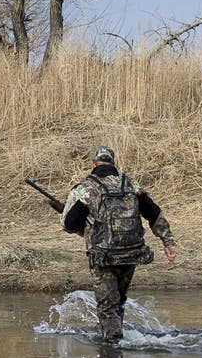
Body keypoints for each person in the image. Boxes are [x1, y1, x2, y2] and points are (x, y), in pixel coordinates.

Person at [61, 146, 177, 342]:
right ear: (114, 162)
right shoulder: (131, 184)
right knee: (119, 301)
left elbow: (69, 224)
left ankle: (112, 347)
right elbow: (153, 212)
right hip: (131, 253)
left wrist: (86, 228)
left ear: (93, 164)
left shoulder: (85, 188)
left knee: (107, 305)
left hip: (103, 257)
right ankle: (116, 339)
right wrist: (168, 241)